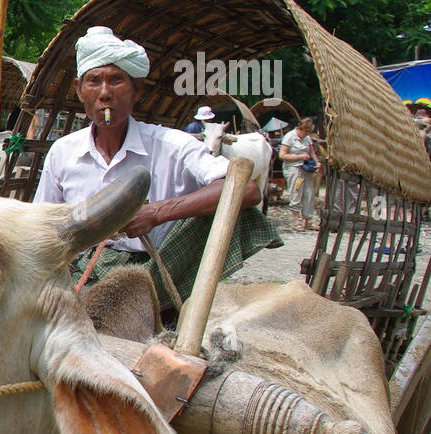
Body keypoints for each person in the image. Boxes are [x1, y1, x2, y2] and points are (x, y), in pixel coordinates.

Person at [34, 26, 275, 310]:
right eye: (93, 81)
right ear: (79, 90)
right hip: (81, 272)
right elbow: (43, 224)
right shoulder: (63, 152)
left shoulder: (173, 144)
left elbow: (246, 190)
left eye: (116, 80)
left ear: (138, 91)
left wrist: (156, 213)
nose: (105, 93)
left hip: (157, 271)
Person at [279, 118, 320, 232]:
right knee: (296, 193)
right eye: (305, 132)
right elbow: (282, 155)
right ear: (300, 129)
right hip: (294, 168)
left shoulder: (307, 138)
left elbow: (311, 152)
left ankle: (308, 219)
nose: (306, 135)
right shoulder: (289, 137)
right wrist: (300, 157)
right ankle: (296, 221)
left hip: (307, 168)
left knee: (309, 194)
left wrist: (317, 163)